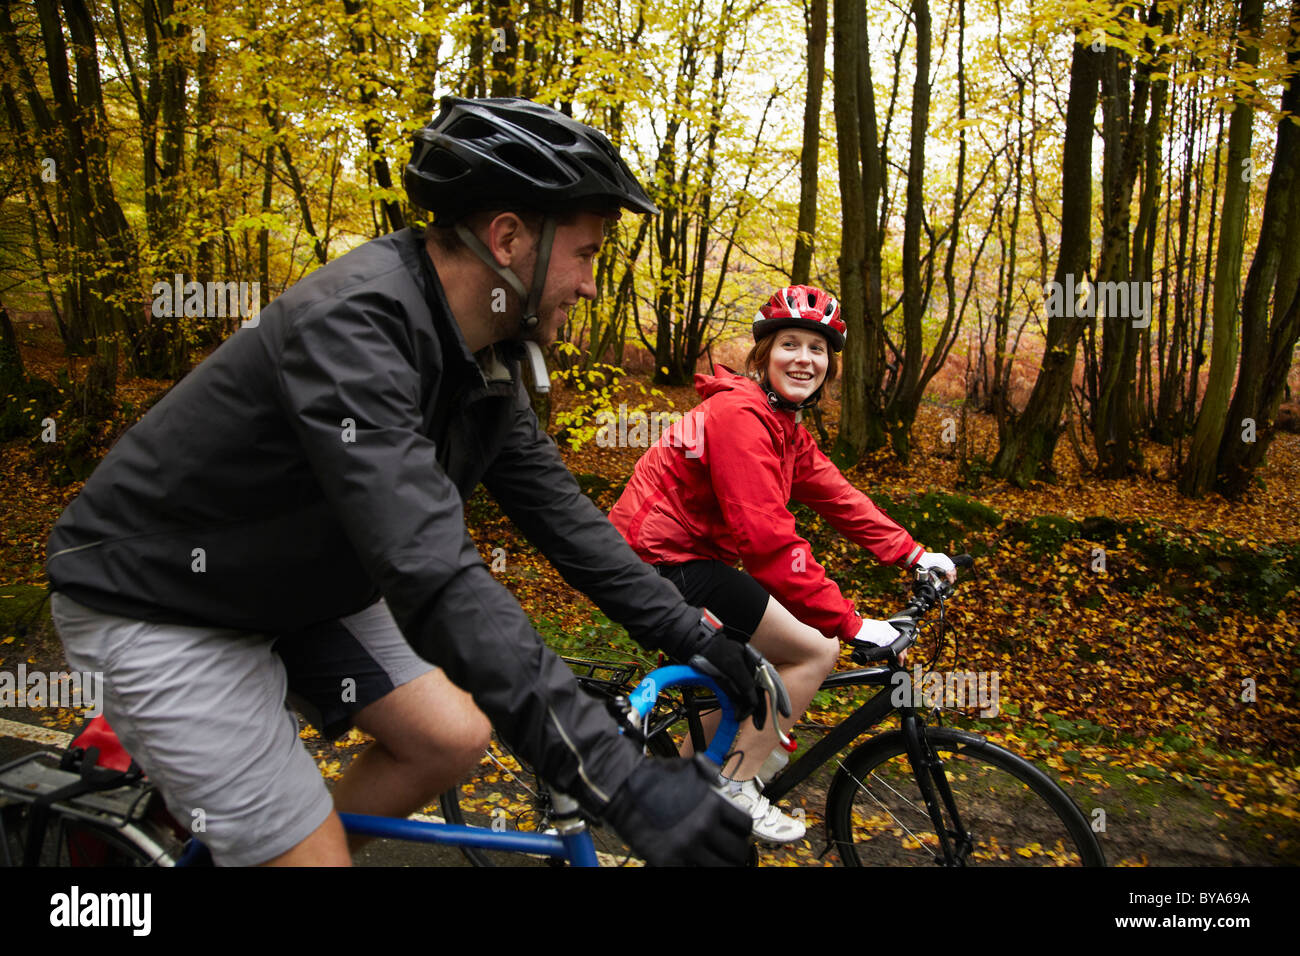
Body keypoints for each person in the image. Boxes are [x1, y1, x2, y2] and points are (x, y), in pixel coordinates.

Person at [45, 96, 760, 867]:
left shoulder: (487, 357)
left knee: (450, 738)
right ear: (509, 238)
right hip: (159, 600)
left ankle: (243, 848)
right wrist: (619, 780)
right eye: (586, 254)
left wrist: (692, 634)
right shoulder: (353, 326)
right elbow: (432, 572)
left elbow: (562, 516)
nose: (590, 285)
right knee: (309, 860)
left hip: (293, 585)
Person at [609, 284, 957, 842]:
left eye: (817, 349)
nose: (804, 358)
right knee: (815, 650)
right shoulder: (739, 418)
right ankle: (733, 784)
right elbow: (768, 542)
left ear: (829, 365)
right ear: (763, 356)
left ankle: (673, 796)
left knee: (744, 678)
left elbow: (838, 496)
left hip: (685, 559)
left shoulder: (782, 425)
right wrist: (850, 623)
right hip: (661, 561)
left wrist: (914, 554)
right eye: (789, 344)